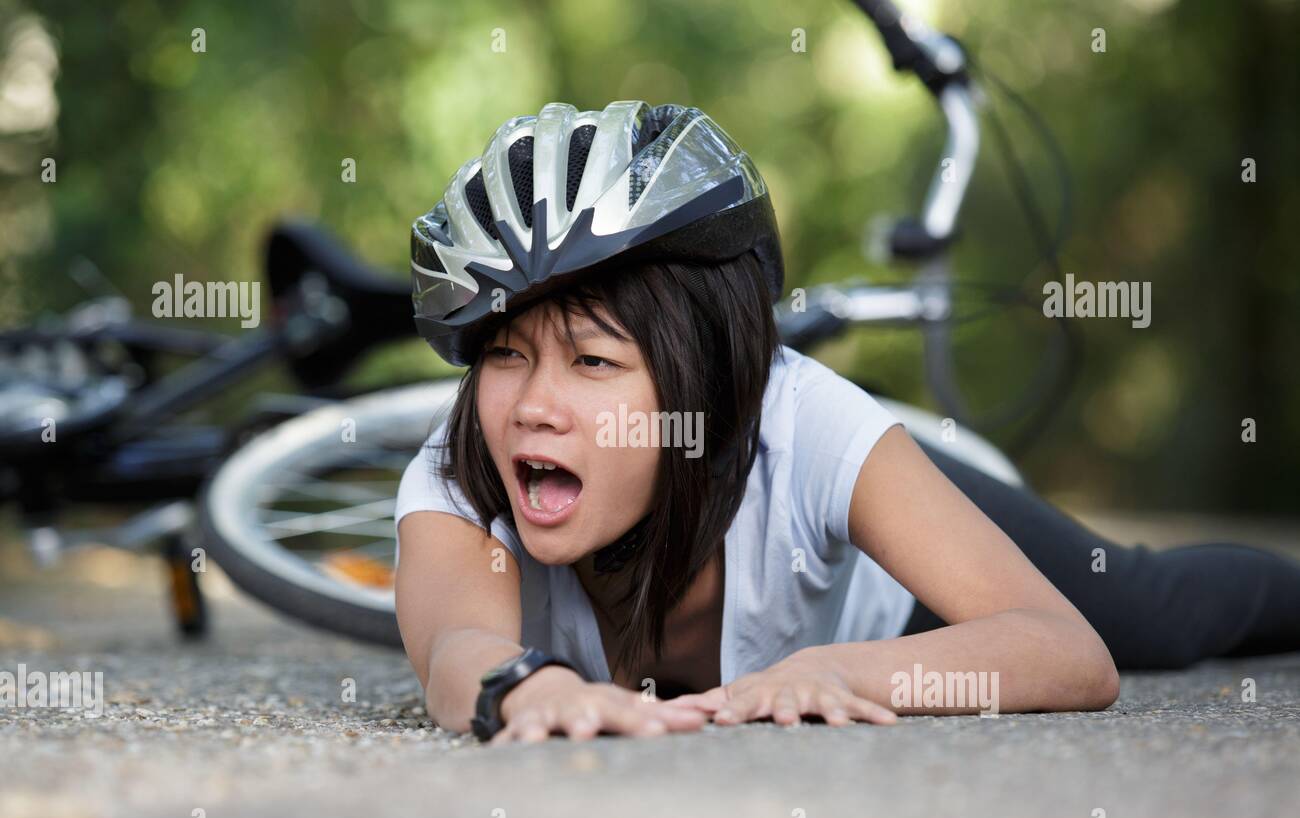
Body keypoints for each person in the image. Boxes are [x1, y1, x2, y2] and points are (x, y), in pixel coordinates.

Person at [395, 100, 1300, 745]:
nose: (535, 407)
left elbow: (1067, 652)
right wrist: (527, 687)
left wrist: (850, 671)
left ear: (706, 382)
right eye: (506, 356)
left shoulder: (805, 425)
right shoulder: (465, 463)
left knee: (1156, 613)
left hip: (888, 603)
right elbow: (456, 651)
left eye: (593, 362)